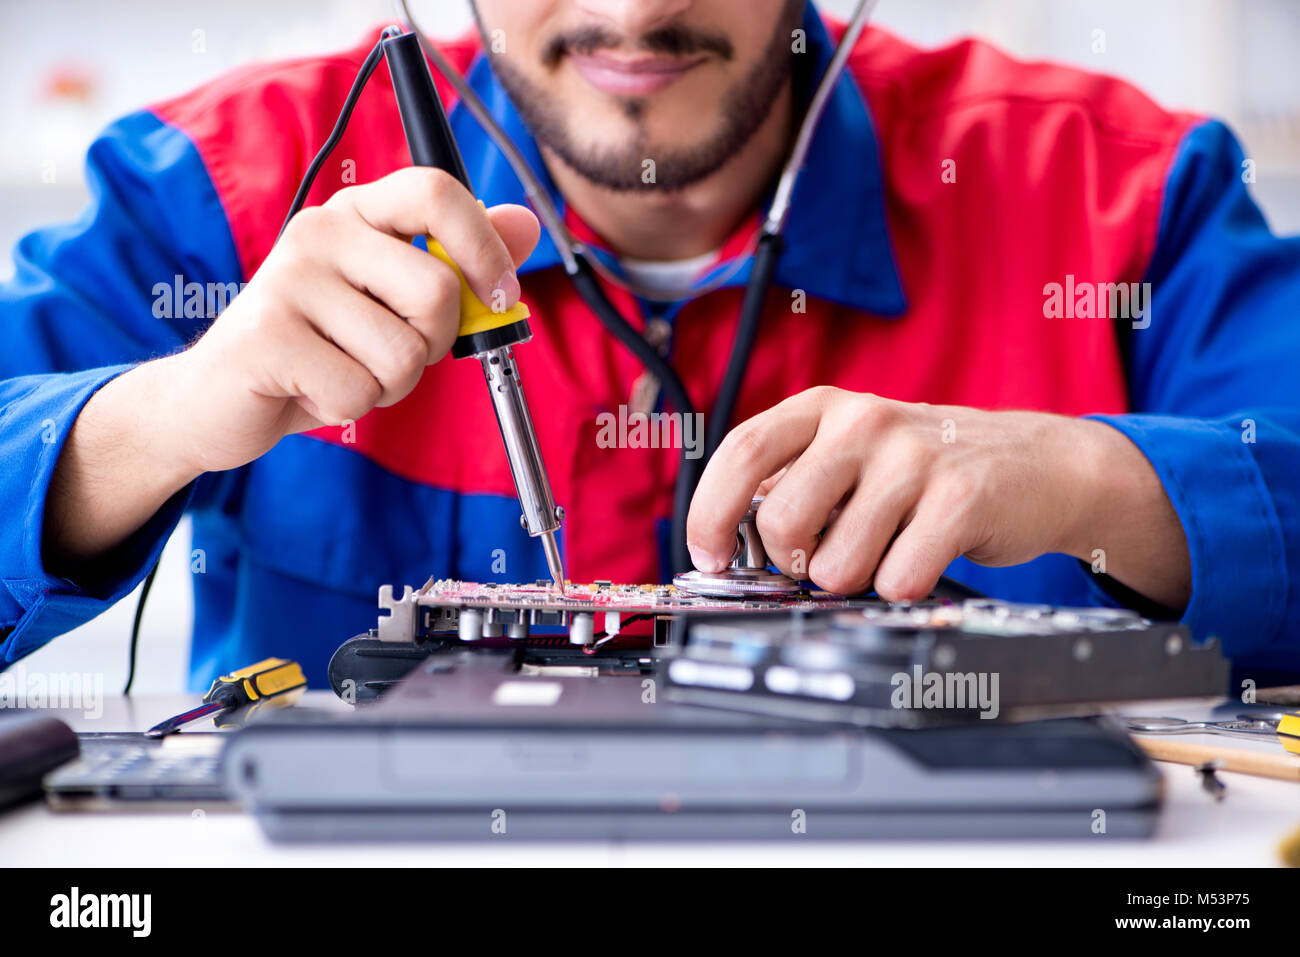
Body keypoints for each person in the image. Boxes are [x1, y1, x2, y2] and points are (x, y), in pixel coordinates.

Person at [2, 0, 1297, 688]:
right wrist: (168, 413)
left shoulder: (1125, 194)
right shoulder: (217, 191)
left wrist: (1089, 481)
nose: (634, 11)